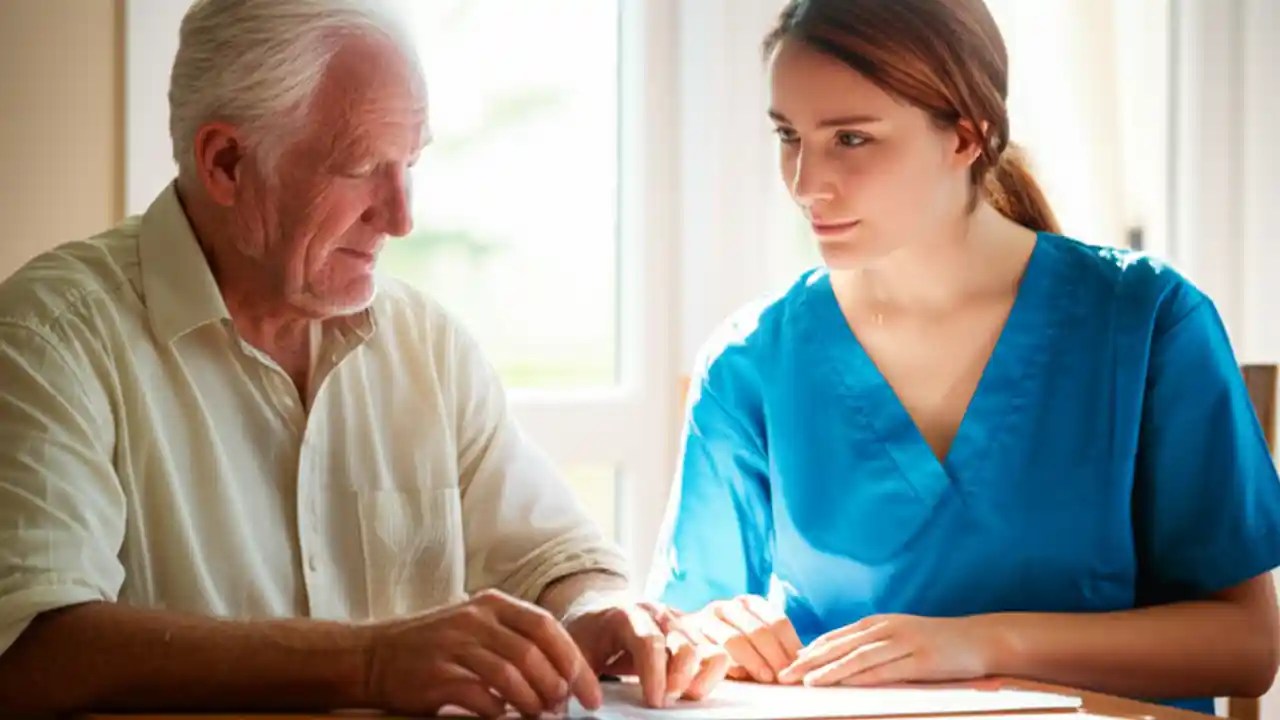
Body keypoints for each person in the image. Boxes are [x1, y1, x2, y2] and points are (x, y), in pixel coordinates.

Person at [0, 0, 727, 716]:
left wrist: (601, 613)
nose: (403, 217)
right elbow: (31, 652)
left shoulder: (427, 345)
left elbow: (558, 564)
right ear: (225, 163)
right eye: (361, 168)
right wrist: (371, 662)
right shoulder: (49, 338)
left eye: (410, 163)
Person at [647, 0, 1280, 713]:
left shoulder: (1150, 321)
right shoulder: (749, 362)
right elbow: (686, 631)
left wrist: (979, 644)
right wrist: (706, 635)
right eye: (789, 136)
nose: (805, 182)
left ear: (967, 137)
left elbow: (1248, 645)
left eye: (851, 139)